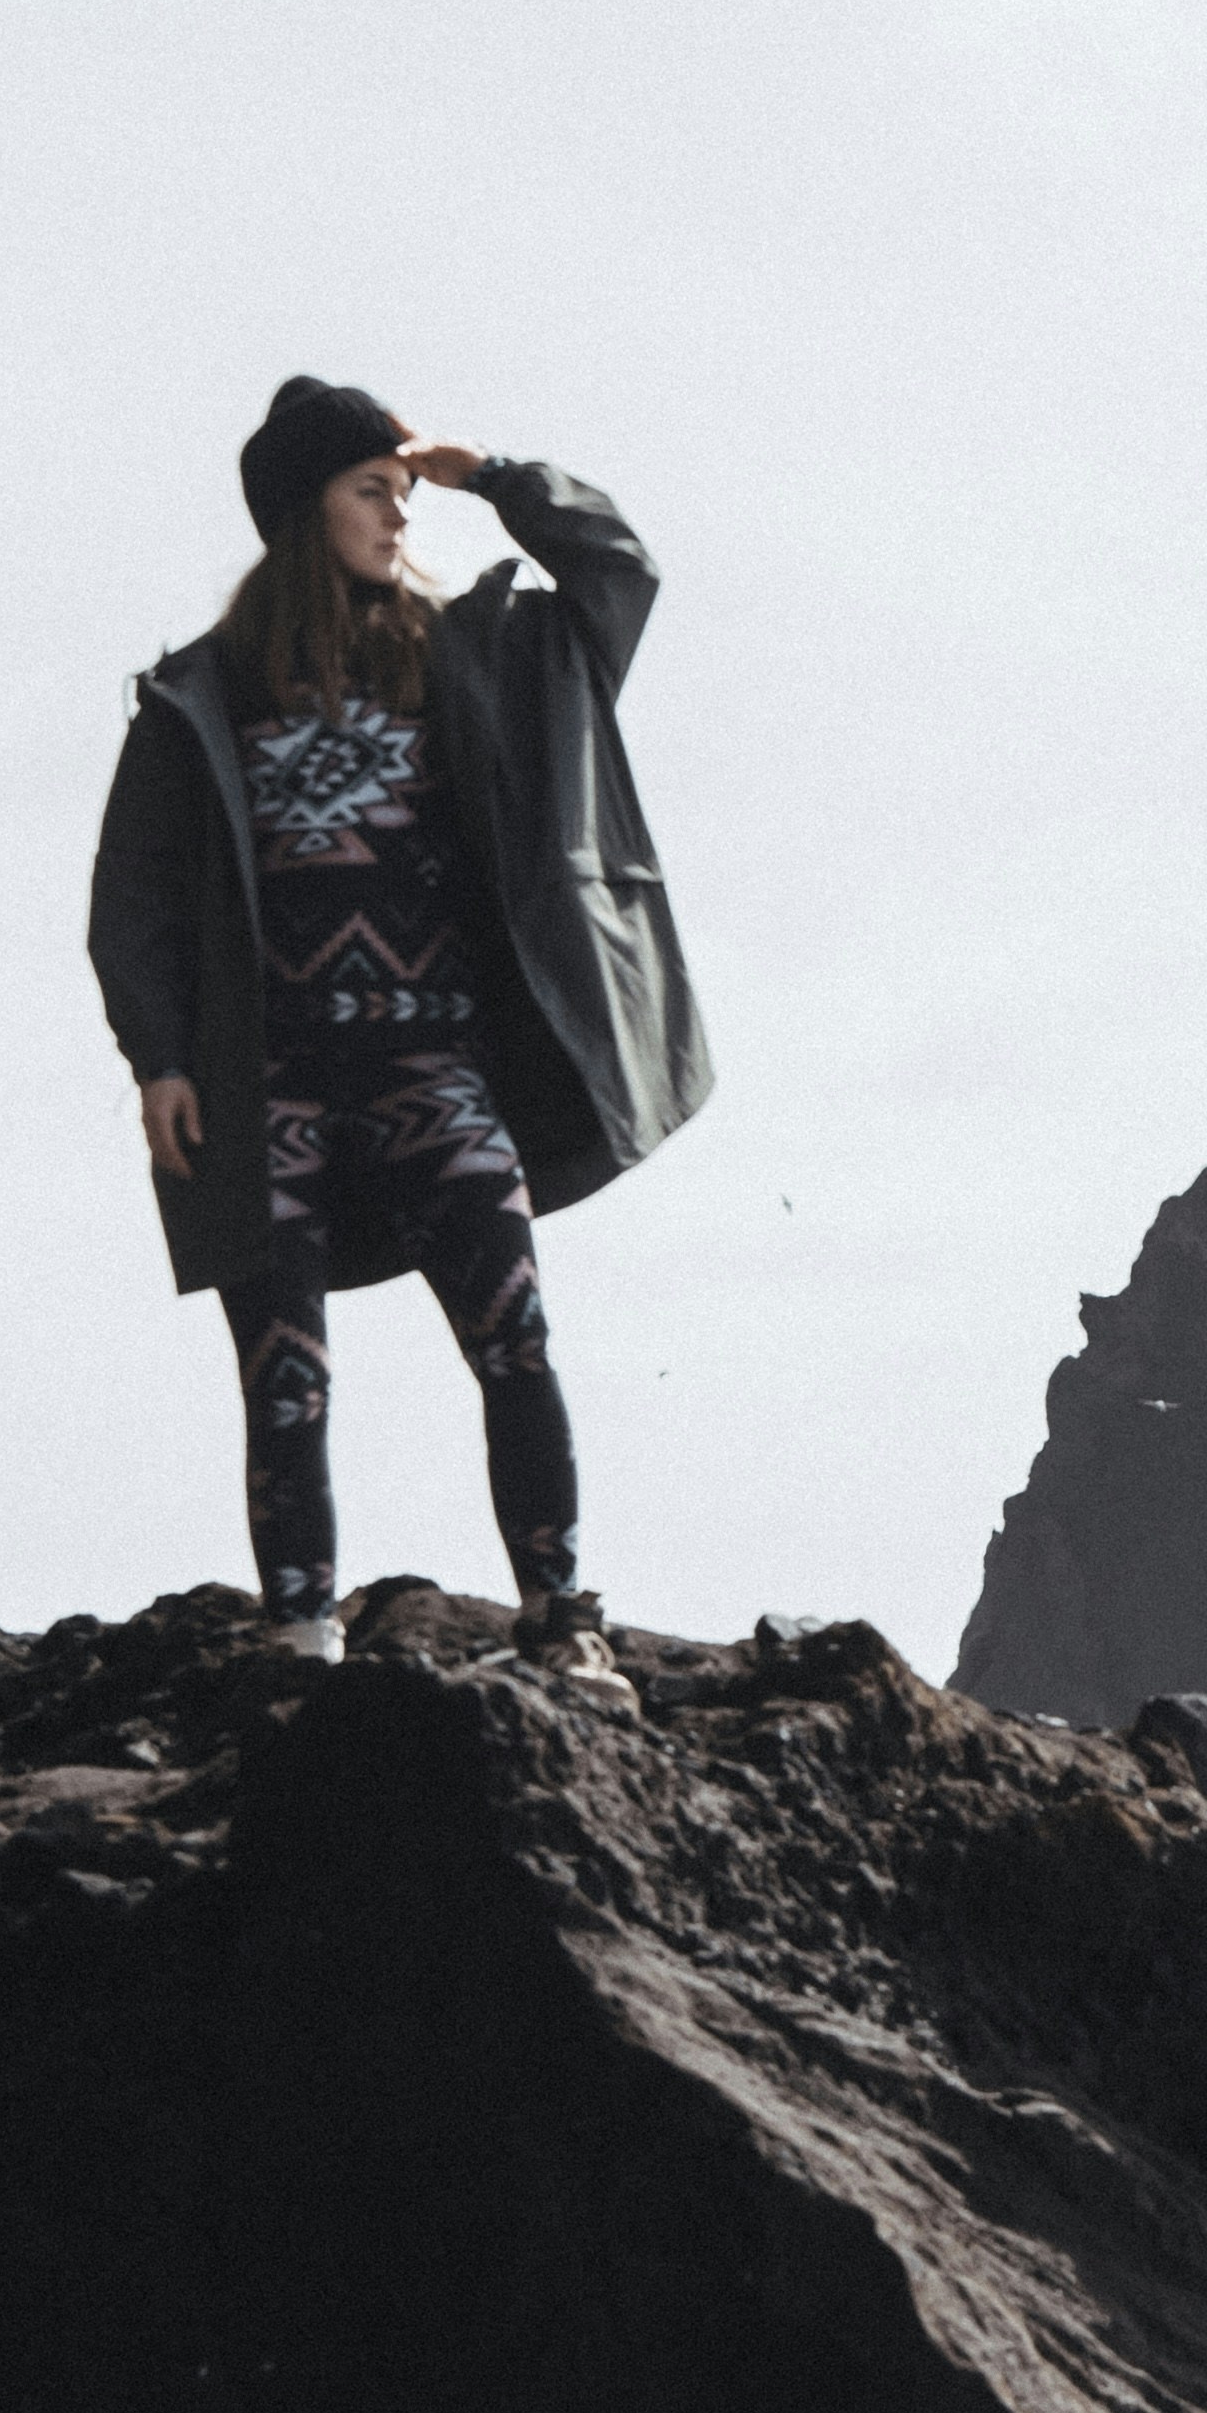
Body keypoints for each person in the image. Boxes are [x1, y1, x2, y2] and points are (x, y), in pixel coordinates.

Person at [87, 377, 710, 1669]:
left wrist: (493, 475)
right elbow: (131, 895)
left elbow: (616, 573)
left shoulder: (466, 653)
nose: (396, 510)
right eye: (372, 487)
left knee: (515, 1339)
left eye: (402, 490)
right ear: (305, 506)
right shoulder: (198, 696)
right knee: (285, 1376)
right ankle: (303, 1630)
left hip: (439, 1069)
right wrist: (156, 1059)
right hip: (269, 1088)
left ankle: (560, 1623)